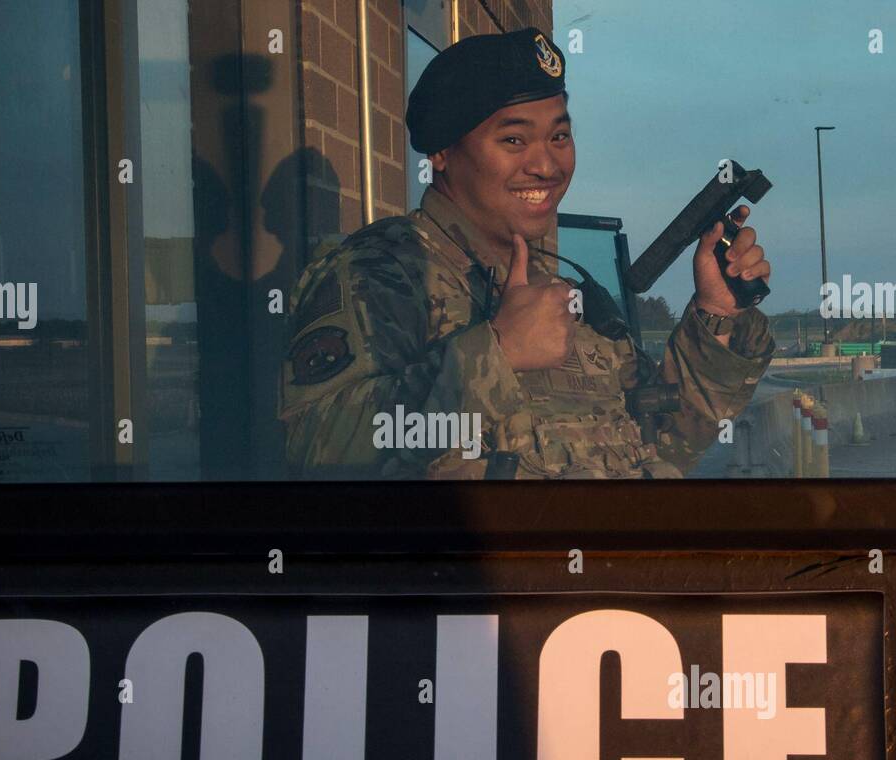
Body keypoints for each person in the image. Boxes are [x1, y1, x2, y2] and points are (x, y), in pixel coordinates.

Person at [279, 27, 774, 479]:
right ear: (443, 154)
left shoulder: (567, 296)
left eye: (559, 136)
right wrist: (497, 354)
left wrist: (716, 314)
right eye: (513, 139)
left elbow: (666, 443)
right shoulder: (381, 274)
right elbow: (316, 451)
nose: (546, 164)